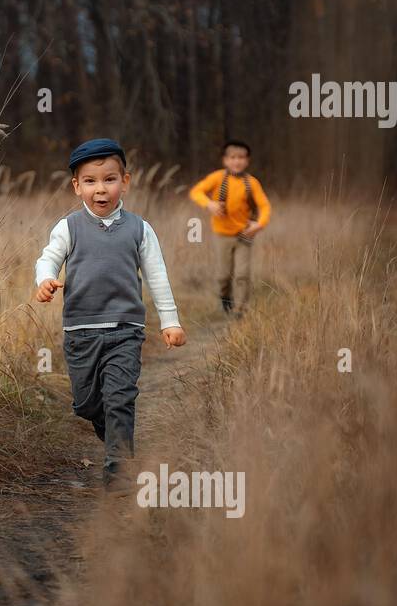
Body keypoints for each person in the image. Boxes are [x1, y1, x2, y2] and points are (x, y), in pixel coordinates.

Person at [35, 138, 186, 490]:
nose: (100, 189)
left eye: (109, 179)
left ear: (125, 181)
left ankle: (119, 465)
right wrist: (45, 279)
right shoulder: (68, 227)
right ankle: (117, 438)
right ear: (77, 186)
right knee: (87, 404)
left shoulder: (139, 229)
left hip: (125, 330)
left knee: (119, 396)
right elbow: (48, 258)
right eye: (90, 181)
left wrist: (171, 322)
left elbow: (157, 276)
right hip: (80, 333)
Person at [188, 140, 272, 317]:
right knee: (223, 275)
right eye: (233, 157)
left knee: (242, 274)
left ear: (247, 161)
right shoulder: (218, 178)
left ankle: (240, 311)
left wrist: (260, 224)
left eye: (241, 157)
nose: (237, 161)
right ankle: (225, 300)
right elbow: (196, 191)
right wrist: (209, 204)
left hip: (244, 234)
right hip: (222, 235)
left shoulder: (252, 183)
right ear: (225, 160)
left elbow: (265, 206)